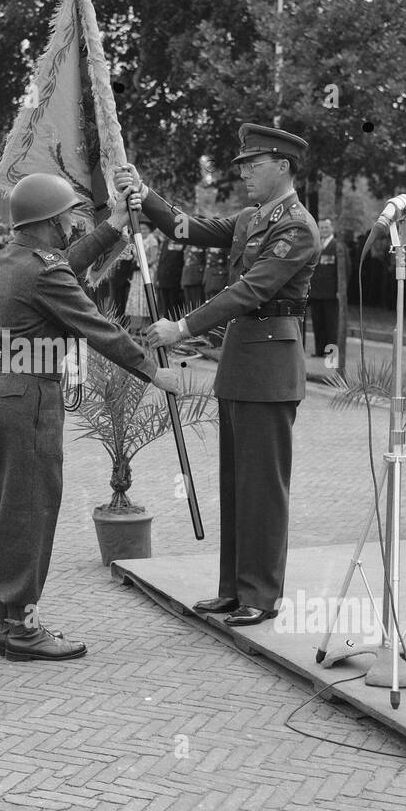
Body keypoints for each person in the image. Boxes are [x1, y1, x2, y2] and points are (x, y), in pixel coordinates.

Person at [117, 122, 321, 628]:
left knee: (264, 487)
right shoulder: (254, 218)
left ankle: (262, 593)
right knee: (236, 483)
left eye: (254, 165)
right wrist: (145, 196)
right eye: (243, 165)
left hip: (272, 368)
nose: (246, 173)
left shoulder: (296, 228)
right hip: (241, 363)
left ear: (283, 166)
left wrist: (183, 326)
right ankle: (233, 588)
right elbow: (188, 227)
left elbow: (250, 291)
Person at [0, 172, 180, 661]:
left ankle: (12, 623)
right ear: (48, 221)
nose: (72, 221)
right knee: (29, 514)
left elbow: (69, 263)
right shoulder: (44, 271)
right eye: (67, 214)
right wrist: (154, 372)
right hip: (27, 401)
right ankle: (22, 631)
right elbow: (96, 329)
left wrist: (113, 226)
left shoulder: (13, 258)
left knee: (7, 515)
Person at [308, 217, 345, 360]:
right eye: (321, 228)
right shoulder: (315, 246)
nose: (323, 230)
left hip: (331, 293)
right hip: (316, 292)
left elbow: (344, 270)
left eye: (326, 227)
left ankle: (332, 352)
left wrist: (340, 290)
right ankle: (319, 350)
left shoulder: (337, 247)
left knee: (331, 324)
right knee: (318, 323)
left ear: (332, 229)